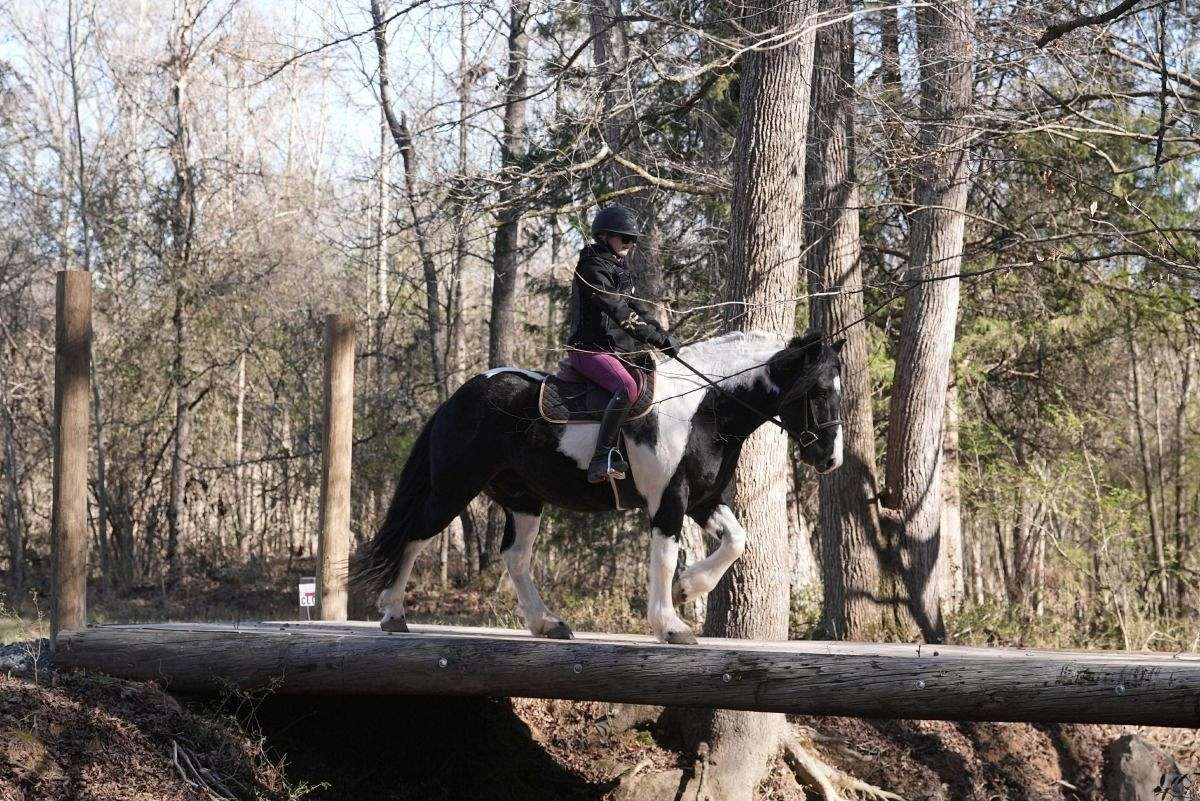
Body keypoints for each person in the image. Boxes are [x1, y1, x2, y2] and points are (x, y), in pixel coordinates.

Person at [567, 204, 679, 483]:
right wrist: (655, 339)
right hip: (588, 349)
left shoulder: (617, 269)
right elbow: (618, 311)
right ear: (604, 236)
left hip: (612, 350)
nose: (630, 244)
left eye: (633, 240)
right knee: (626, 387)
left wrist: (661, 334)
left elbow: (634, 308)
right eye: (624, 238)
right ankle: (600, 457)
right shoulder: (592, 268)